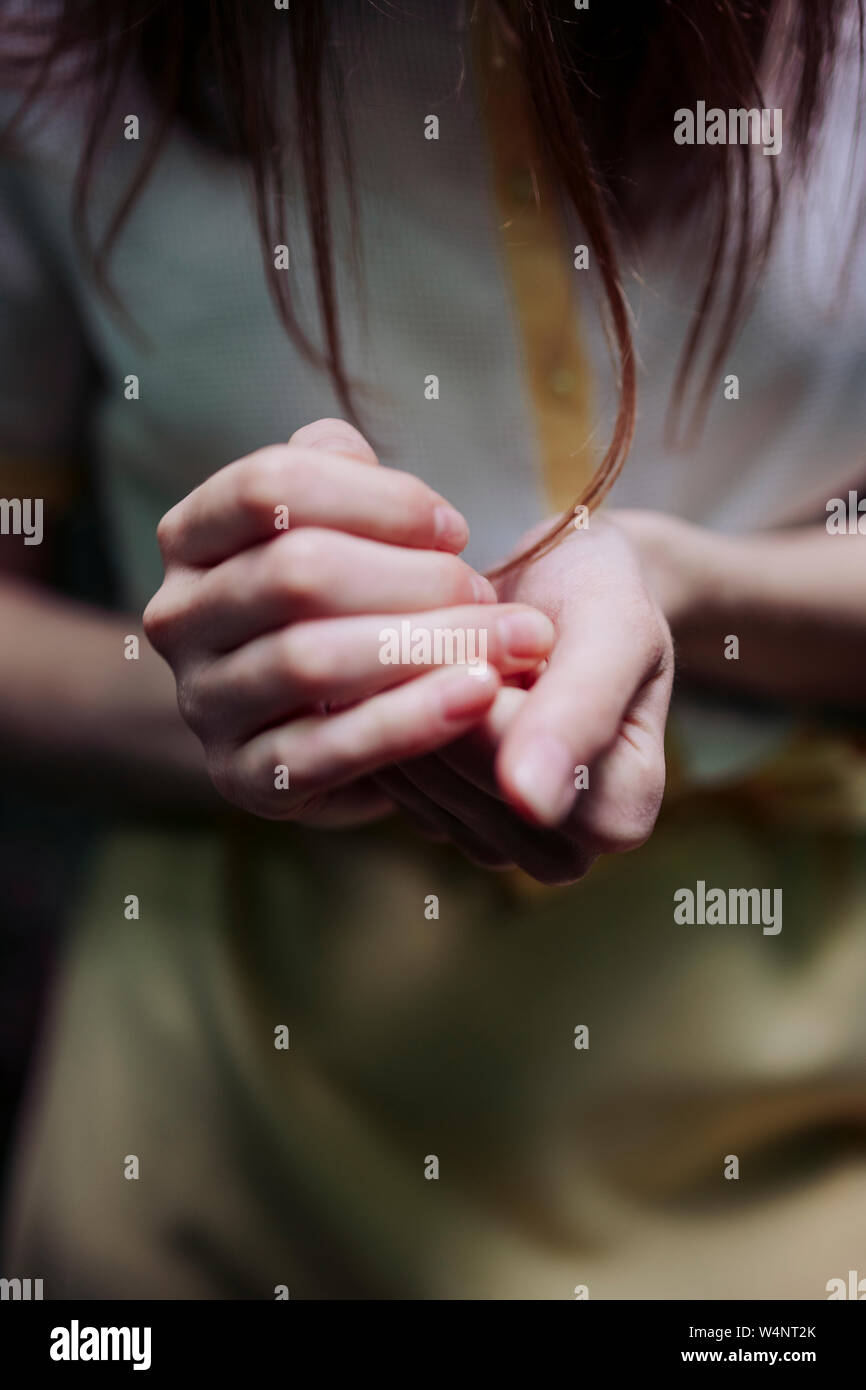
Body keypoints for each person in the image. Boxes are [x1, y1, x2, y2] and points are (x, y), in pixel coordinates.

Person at [2, 0, 866, 1298]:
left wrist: (683, 586)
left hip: (805, 1045)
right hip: (238, 1086)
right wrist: (242, 696)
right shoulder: (40, 46)